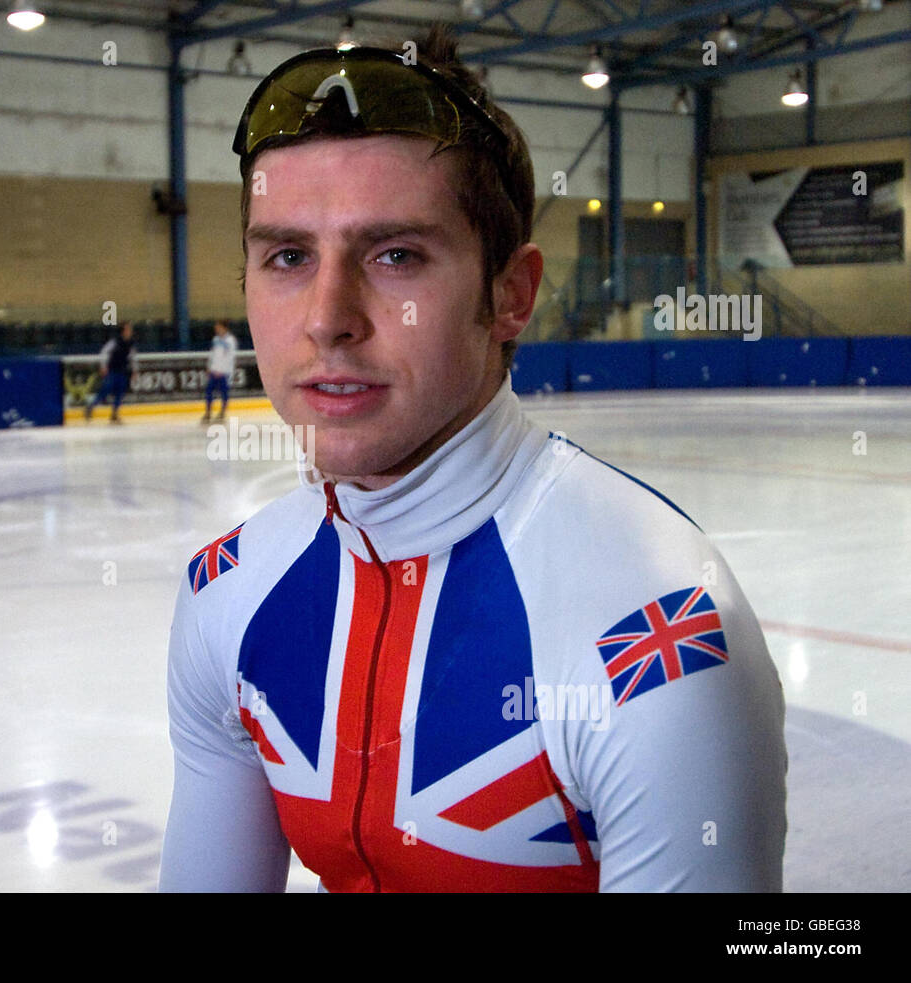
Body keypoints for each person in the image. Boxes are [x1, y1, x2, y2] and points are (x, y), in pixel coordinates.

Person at [158, 27, 787, 893]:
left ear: (510, 296)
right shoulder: (225, 596)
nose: (327, 318)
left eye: (395, 255)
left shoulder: (656, 638)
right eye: (289, 256)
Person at [85, 321, 136, 423]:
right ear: (123, 331)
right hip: (112, 371)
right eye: (128, 329)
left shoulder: (130, 343)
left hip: (122, 371)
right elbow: (104, 352)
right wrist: (103, 366)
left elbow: (132, 357)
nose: (130, 332)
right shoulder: (115, 342)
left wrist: (134, 370)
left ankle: (115, 413)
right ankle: (91, 407)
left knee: (119, 393)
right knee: (104, 391)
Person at [202, 320, 238, 423]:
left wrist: (222, 371)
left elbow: (230, 357)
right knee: (209, 390)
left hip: (224, 372)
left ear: (224, 328)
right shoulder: (216, 339)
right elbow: (212, 354)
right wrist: (209, 367)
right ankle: (208, 412)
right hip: (214, 370)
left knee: (224, 391)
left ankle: (222, 412)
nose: (216, 329)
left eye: (218, 327)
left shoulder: (230, 341)